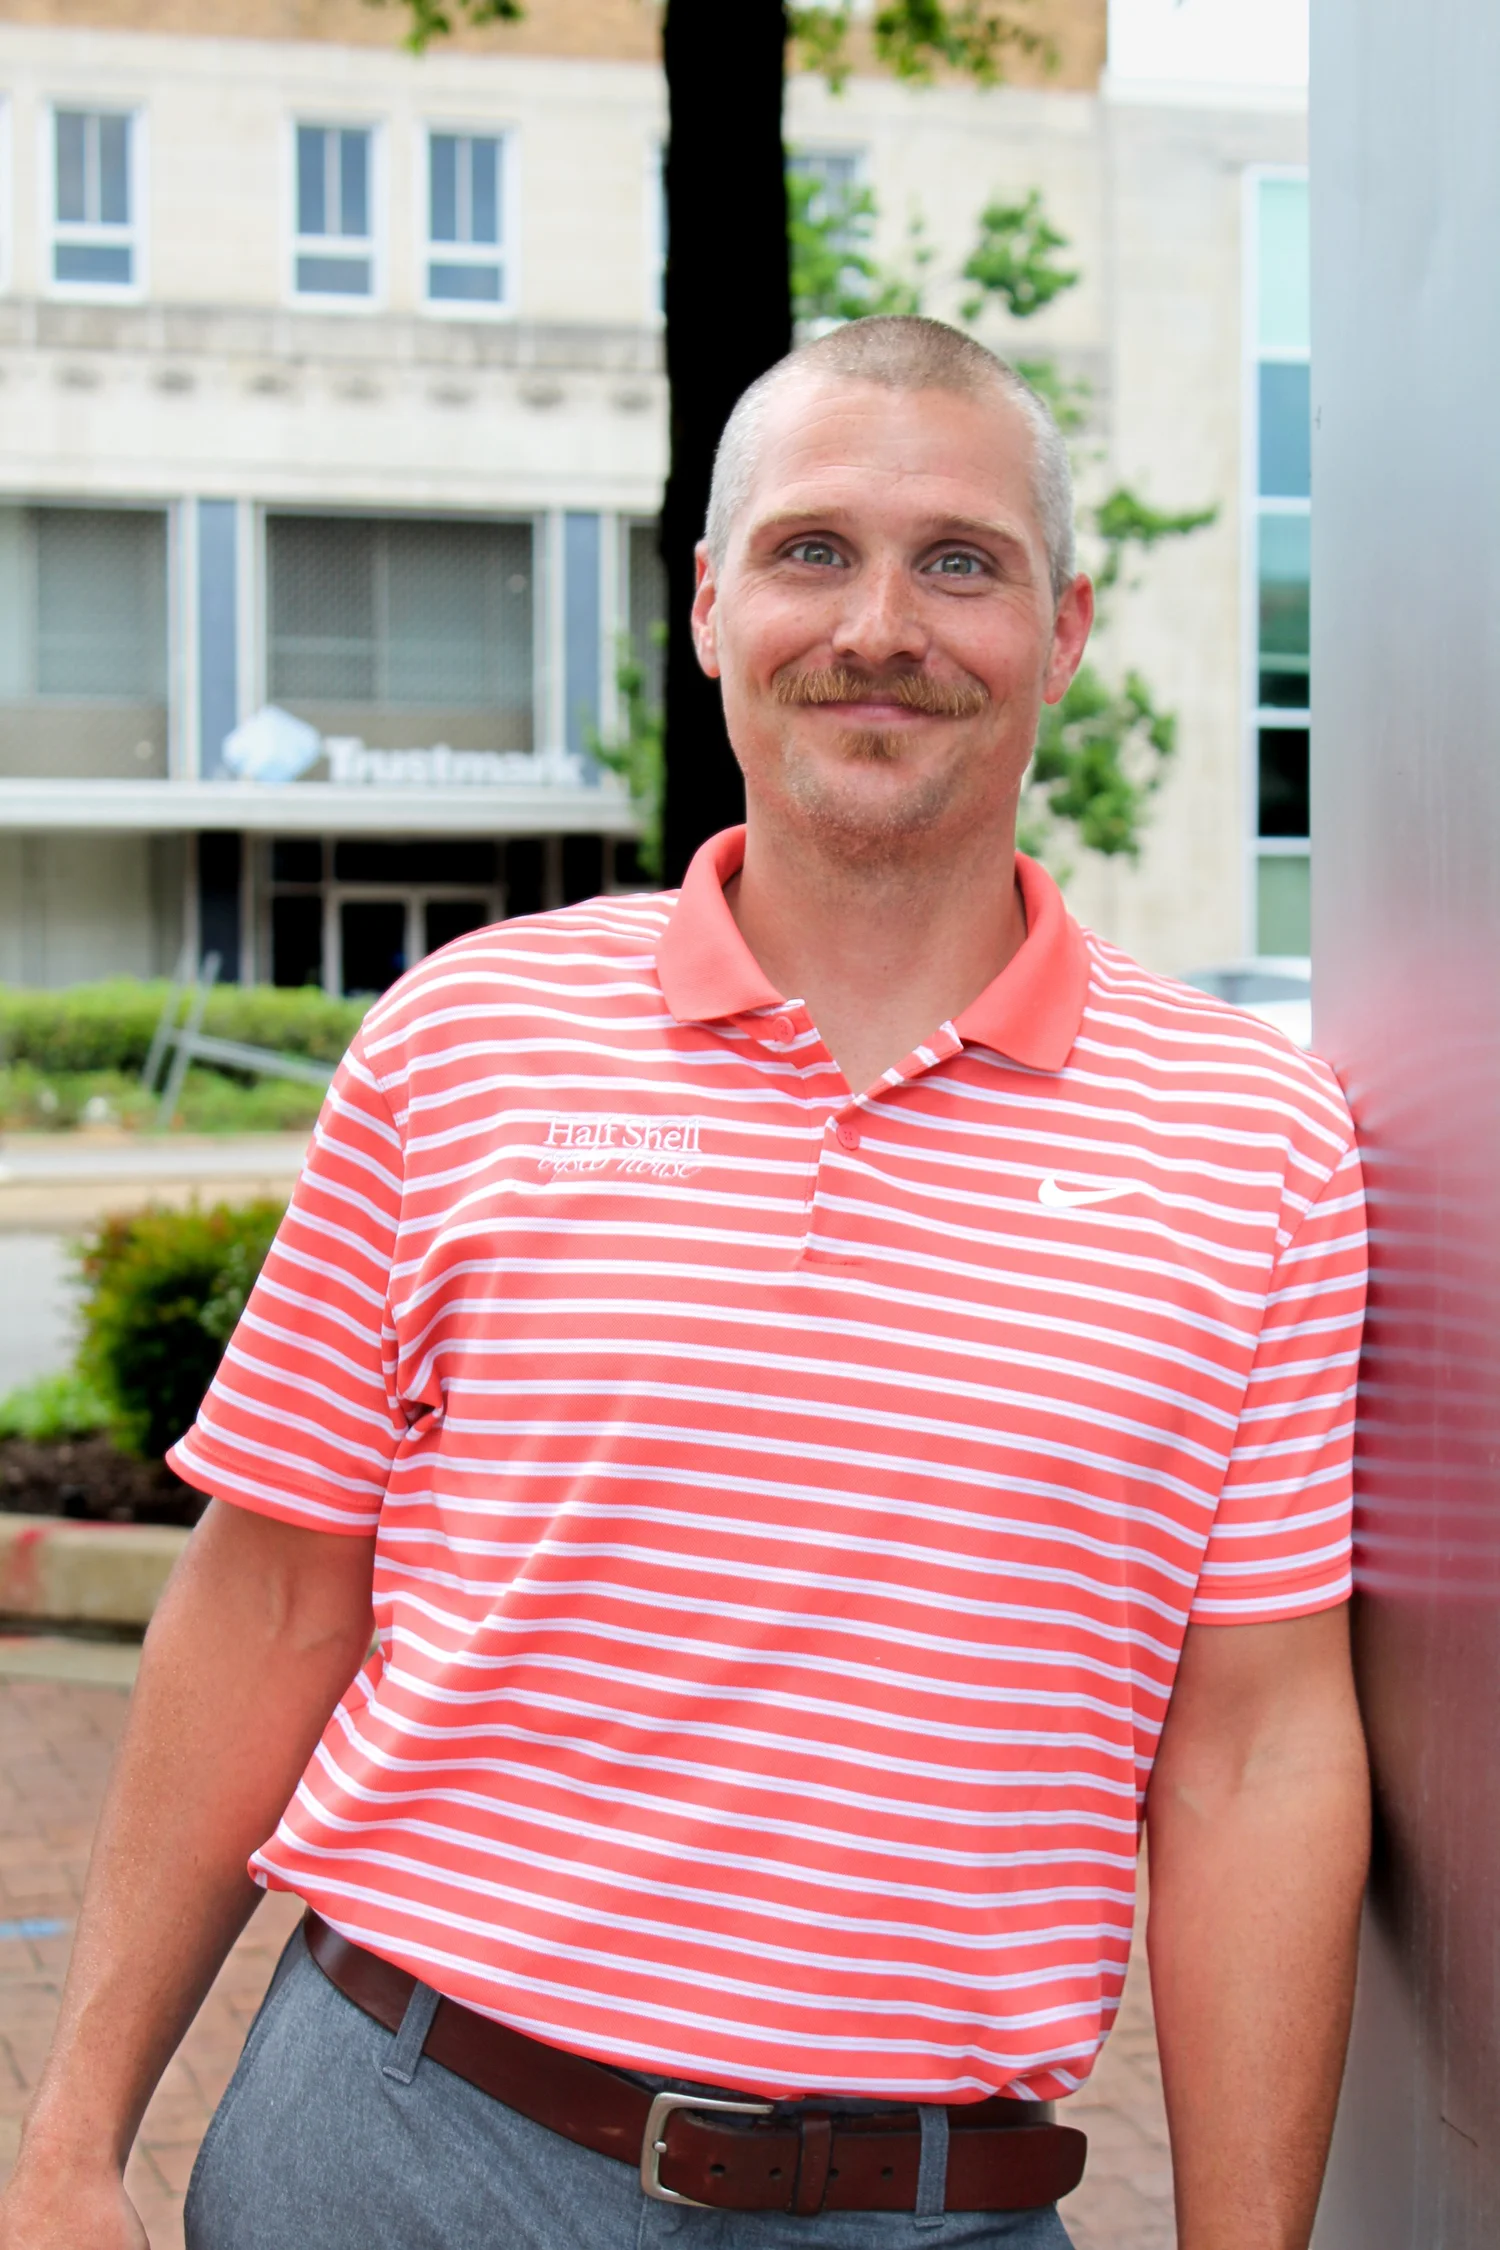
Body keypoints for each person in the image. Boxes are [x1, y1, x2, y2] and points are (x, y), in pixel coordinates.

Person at [0, 316, 1370, 2250]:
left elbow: (1256, 1751)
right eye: (814, 550)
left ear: (1061, 631)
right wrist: (69, 2141)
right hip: (394, 2153)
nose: (879, 625)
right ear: (713, 605)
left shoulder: (1257, 1136)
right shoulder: (465, 1038)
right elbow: (274, 1593)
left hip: (933, 2207)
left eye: (958, 561)